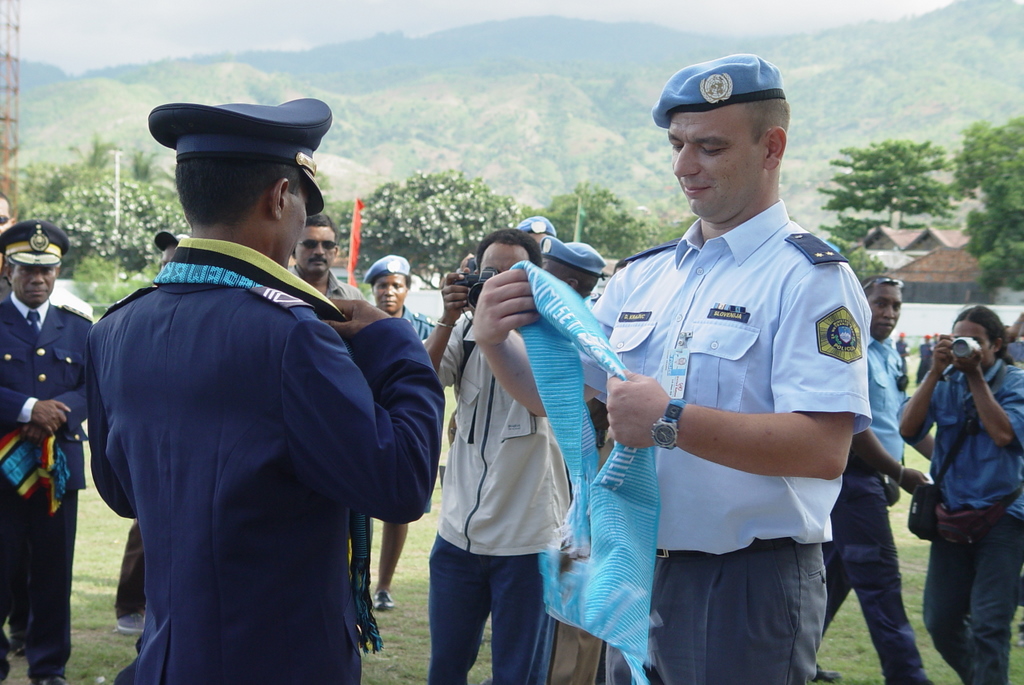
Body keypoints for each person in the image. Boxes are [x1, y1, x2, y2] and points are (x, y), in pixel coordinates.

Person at [473, 54, 871, 684]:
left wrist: (670, 421)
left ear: (773, 147)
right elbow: (562, 399)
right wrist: (494, 340)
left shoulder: (811, 279)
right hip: (635, 567)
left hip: (746, 580)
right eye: (678, 145)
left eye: (710, 147)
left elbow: (824, 448)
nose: (686, 166)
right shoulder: (645, 275)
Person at [86, 98, 444, 683]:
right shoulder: (292, 336)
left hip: (168, 657)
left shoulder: (115, 327)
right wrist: (394, 344)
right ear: (280, 197)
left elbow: (124, 494)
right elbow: (402, 484)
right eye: (304, 205)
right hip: (278, 660)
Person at [424, 228, 569, 685]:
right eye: (490, 274)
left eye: (513, 275)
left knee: (518, 675)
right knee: (445, 669)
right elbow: (420, 381)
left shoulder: (555, 338)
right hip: (457, 536)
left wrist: (507, 330)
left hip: (528, 543)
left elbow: (547, 398)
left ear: (535, 282)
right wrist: (449, 317)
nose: (499, 285)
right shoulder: (464, 331)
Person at [816, 275, 933, 685]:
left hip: (877, 480)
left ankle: (796, 658)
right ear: (861, 302)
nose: (888, 312)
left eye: (896, 306)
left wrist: (949, 463)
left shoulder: (889, 354)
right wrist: (898, 472)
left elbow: (900, 422)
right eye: (881, 303)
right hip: (855, 480)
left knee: (834, 578)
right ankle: (909, 676)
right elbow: (853, 426)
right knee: (880, 579)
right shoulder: (851, 351)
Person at [900, 305, 1024, 685]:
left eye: (976, 342)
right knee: (941, 622)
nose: (966, 349)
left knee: (989, 625)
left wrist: (976, 380)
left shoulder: (1015, 383)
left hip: (1003, 518)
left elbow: (1004, 435)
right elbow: (908, 430)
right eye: (959, 340)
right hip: (951, 515)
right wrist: (935, 372)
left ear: (997, 345)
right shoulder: (946, 379)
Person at [0, 221, 91, 685]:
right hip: (3, 473)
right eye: (27, 270)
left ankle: (48, 665)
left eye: (47, 270)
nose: (37, 279)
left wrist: (59, 412)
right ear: (8, 270)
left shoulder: (77, 327)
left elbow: (93, 388)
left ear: (57, 272)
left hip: (58, 470)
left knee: (54, 574)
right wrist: (30, 408)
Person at [539, 236, 606, 685]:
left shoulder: (588, 334)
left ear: (566, 282)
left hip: (584, 486)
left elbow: (592, 413)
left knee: (579, 605)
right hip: (546, 496)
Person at [360, 253, 435, 612]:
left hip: (404, 426)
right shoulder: (357, 323)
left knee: (400, 510)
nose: (389, 292)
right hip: (366, 423)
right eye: (382, 286)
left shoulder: (423, 328)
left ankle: (384, 585)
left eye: (396, 286)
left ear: (407, 290)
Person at [291, 213, 365, 300]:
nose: (319, 252)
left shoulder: (352, 297)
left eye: (327, 245)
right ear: (293, 250)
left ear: (335, 252)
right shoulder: (277, 290)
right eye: (310, 244)